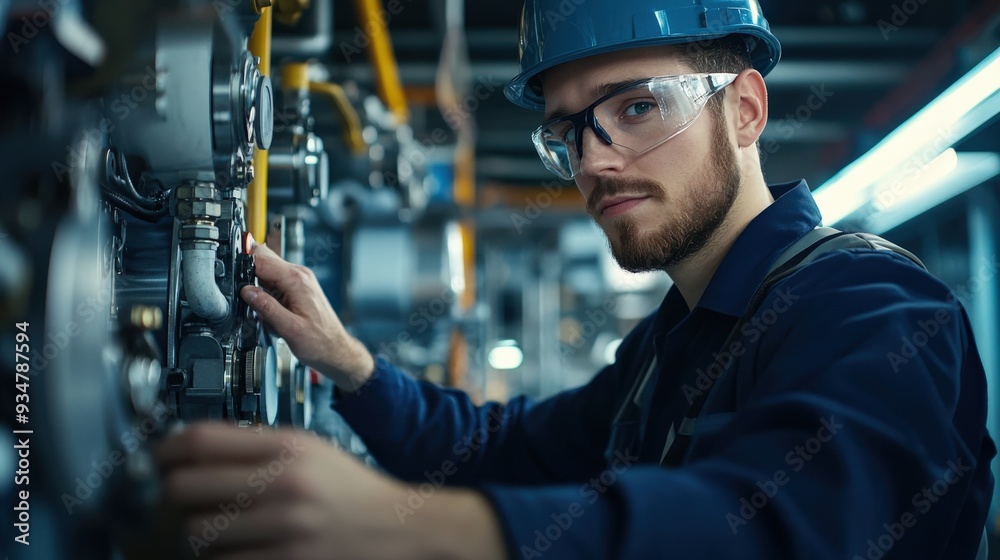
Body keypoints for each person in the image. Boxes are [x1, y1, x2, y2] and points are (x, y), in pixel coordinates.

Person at [155, 0, 996, 558]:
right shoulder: (670, 347)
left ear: (744, 109)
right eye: (569, 130)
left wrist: (412, 529)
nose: (594, 159)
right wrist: (350, 367)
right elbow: (507, 453)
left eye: (637, 107)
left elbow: (782, 532)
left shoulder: (875, 312)